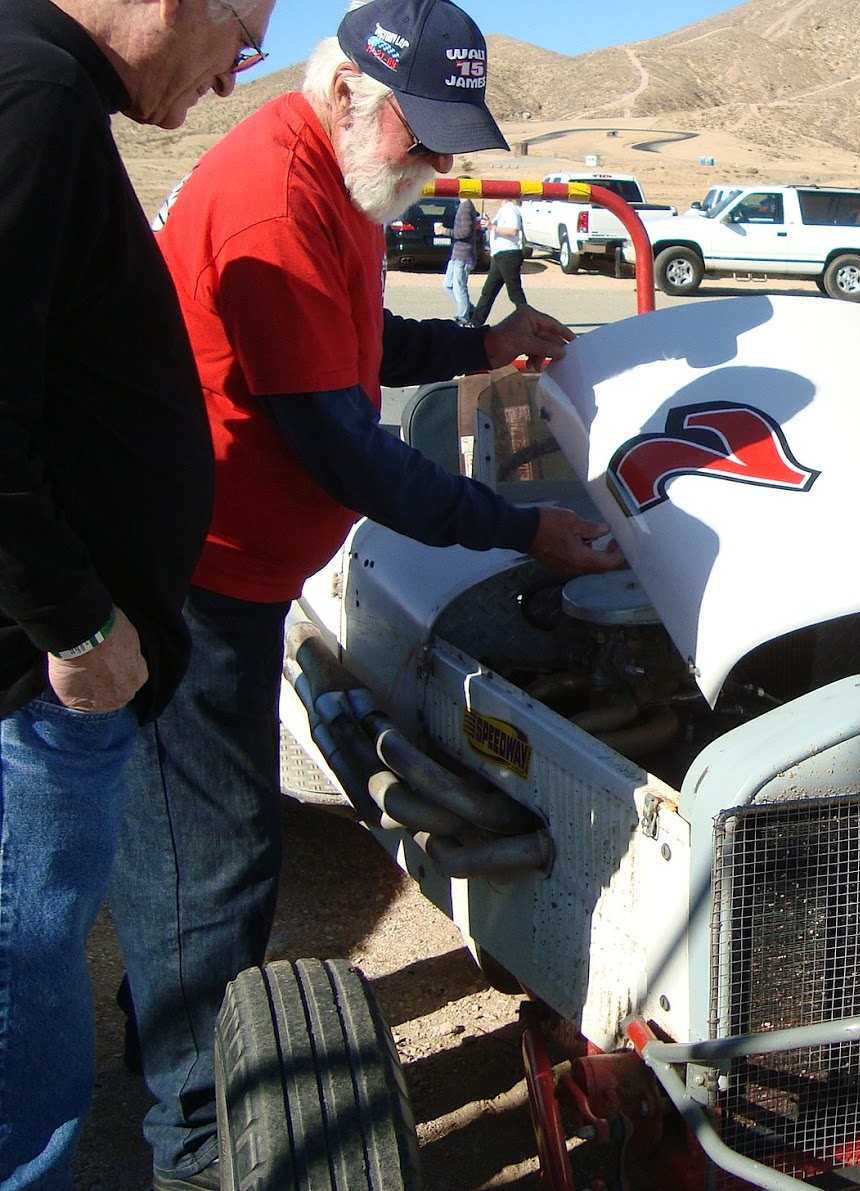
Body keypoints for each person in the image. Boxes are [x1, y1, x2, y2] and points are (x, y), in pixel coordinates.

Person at [106, 2, 623, 1187]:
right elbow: (340, 443)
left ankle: (172, 1051)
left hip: (235, 561)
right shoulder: (274, 195)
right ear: (344, 91)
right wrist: (519, 530)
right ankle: (197, 1136)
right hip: (198, 571)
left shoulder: (337, 181)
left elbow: (349, 344)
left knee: (203, 845)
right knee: (212, 854)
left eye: (449, 142)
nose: (436, 164)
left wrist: (472, 350)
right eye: (422, 134)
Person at [0, 0, 274, 1185]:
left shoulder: (43, 90)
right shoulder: (35, 96)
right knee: (21, 968)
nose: (229, 82)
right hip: (38, 671)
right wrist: (76, 623)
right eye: (242, 39)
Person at [470, 196, 528, 325]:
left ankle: (530, 321)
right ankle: (475, 323)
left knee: (515, 292)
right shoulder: (503, 210)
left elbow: (513, 231)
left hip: (509, 254)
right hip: (499, 255)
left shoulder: (511, 209)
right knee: (488, 291)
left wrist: (492, 227)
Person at [444, 183, 481, 325]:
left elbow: (465, 232)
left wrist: (445, 232)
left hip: (464, 254)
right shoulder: (463, 206)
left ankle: (463, 316)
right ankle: (469, 310)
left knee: (459, 286)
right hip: (456, 254)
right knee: (448, 285)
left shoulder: (466, 207)